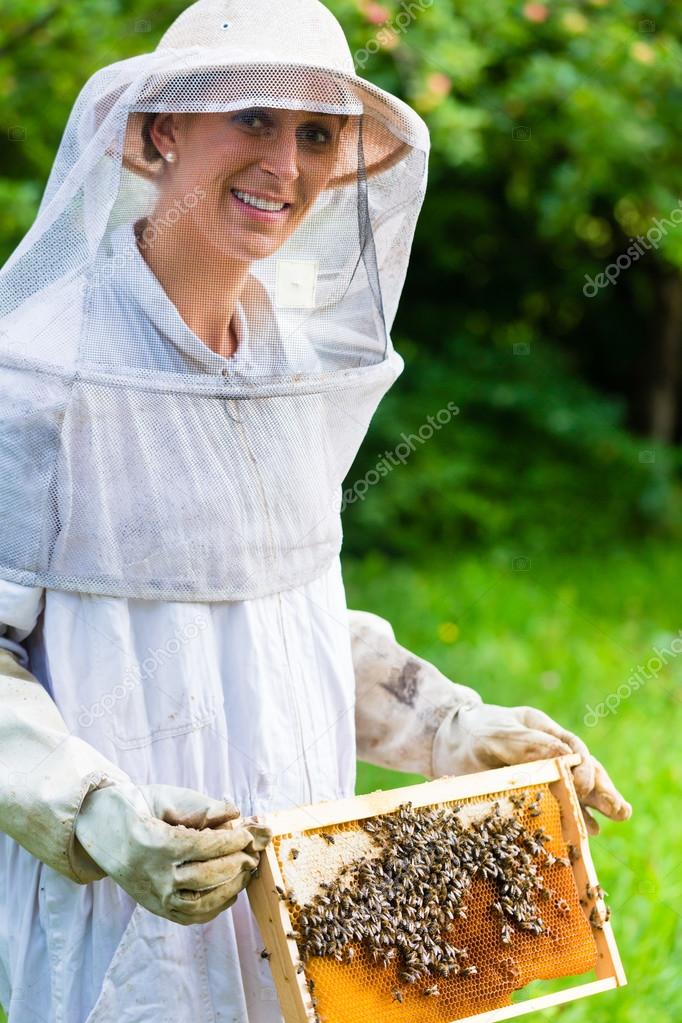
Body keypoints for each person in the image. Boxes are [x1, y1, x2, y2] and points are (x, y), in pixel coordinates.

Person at [0, 1, 630, 1020]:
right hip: (128, 916)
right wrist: (96, 813)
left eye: (317, 134)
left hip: (316, 890)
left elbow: (278, 620)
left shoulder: (288, 361)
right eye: (251, 119)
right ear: (161, 132)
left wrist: (446, 727)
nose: (284, 166)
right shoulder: (34, 372)